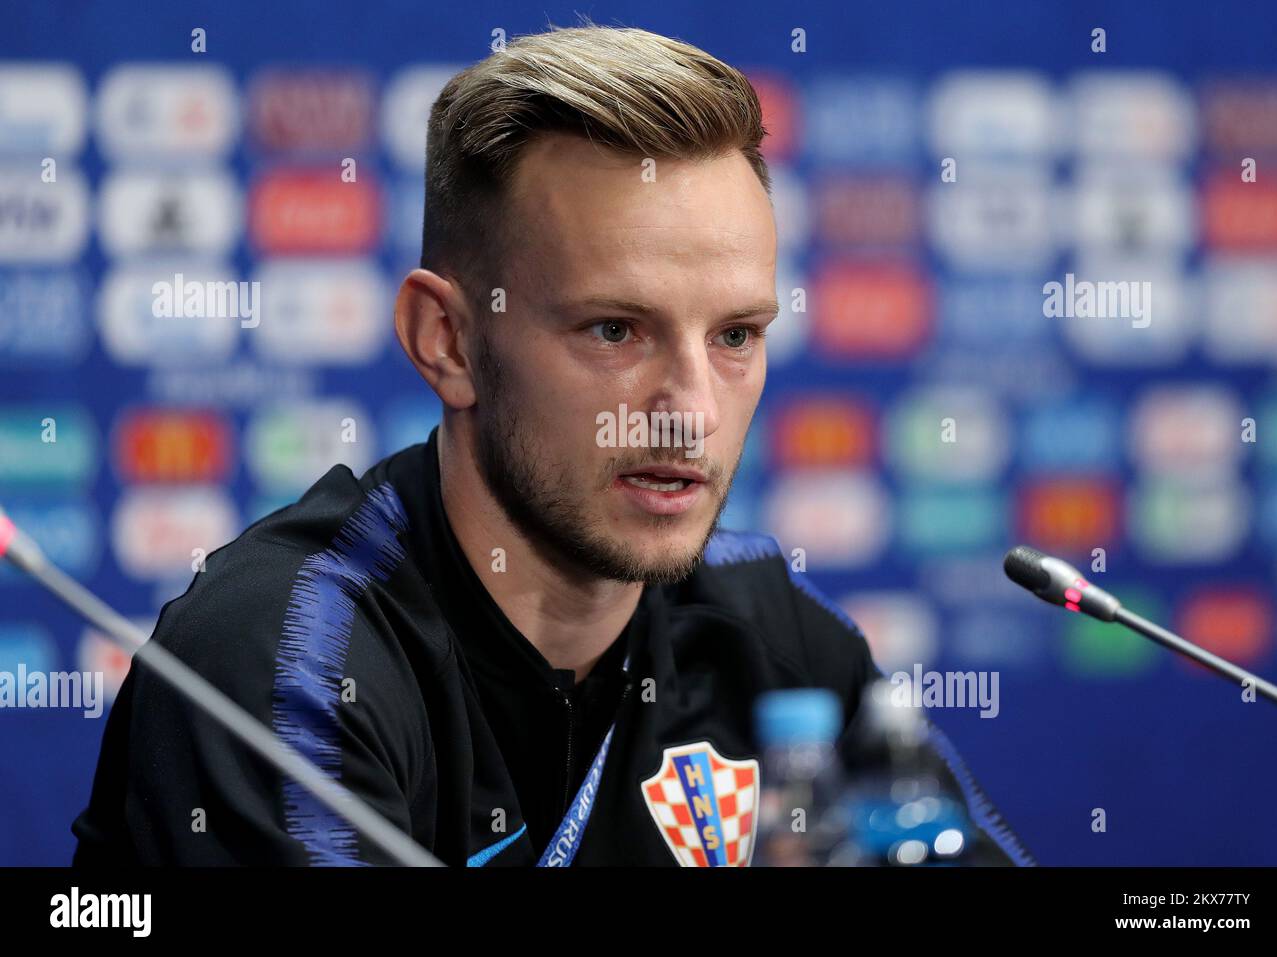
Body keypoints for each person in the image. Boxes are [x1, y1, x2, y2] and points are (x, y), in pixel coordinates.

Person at [71, 23, 1032, 867]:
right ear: (448, 341)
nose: (690, 411)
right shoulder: (286, 660)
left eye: (735, 335)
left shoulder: (767, 634)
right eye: (615, 330)